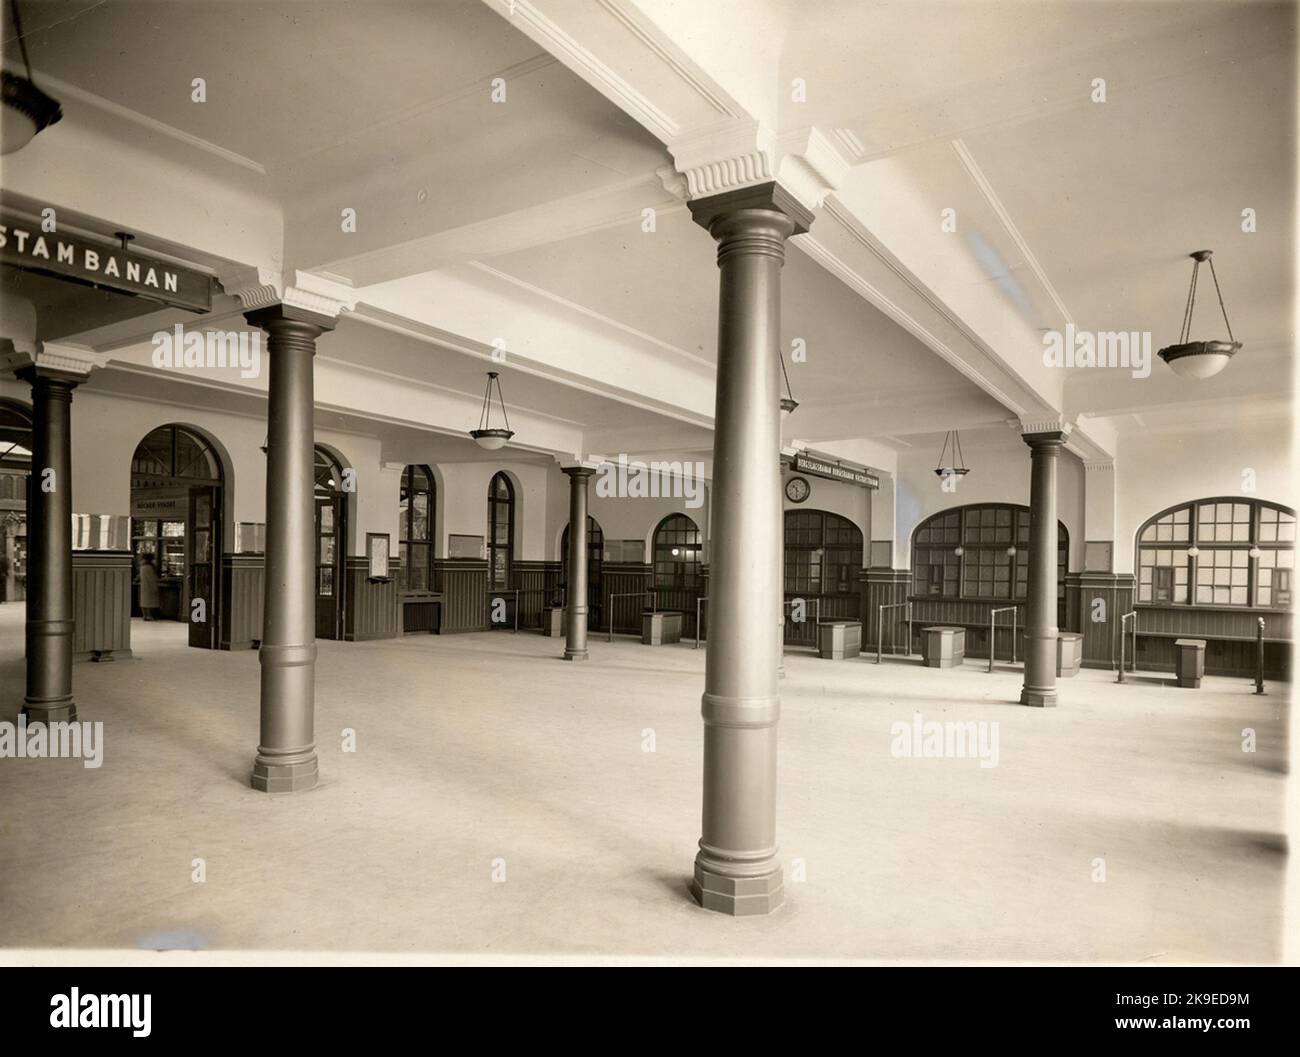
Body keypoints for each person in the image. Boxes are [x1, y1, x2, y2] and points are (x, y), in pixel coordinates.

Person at [138, 553, 160, 621]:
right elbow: (152, 578)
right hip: (150, 586)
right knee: (150, 601)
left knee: (144, 601)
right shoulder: (150, 567)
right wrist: (155, 587)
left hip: (143, 586)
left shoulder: (142, 567)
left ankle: (145, 615)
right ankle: (150, 615)